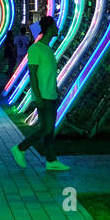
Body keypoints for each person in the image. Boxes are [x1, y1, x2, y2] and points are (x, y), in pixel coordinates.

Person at [11, 16, 69, 171]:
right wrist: (37, 97)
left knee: (49, 130)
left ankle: (51, 161)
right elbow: (33, 75)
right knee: (46, 129)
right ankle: (20, 148)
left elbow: (50, 75)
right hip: (43, 96)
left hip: (51, 95)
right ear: (49, 29)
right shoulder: (35, 49)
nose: (57, 28)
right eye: (55, 26)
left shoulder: (48, 49)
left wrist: (56, 91)